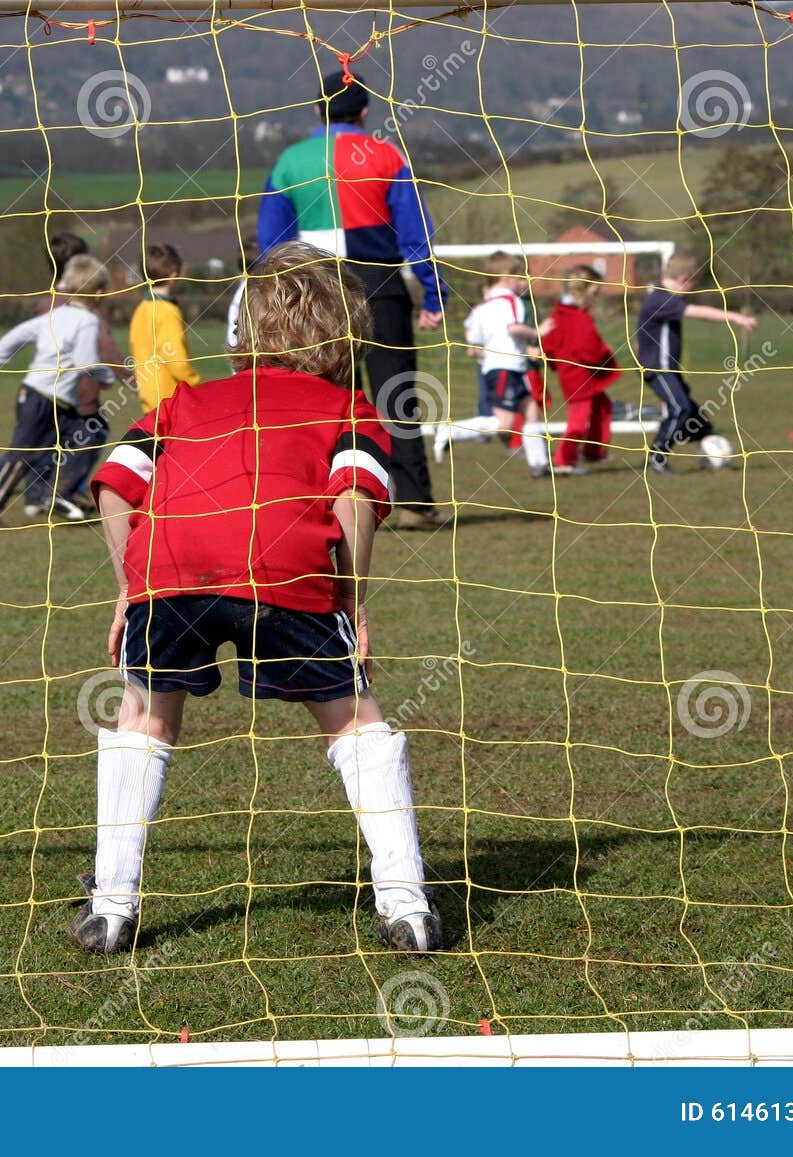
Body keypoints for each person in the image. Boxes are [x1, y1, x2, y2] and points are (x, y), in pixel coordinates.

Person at [73, 240, 440, 956]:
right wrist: (351, 599)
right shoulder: (349, 405)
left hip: (171, 568)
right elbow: (356, 502)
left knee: (144, 716)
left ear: (245, 331)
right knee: (353, 719)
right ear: (348, 333)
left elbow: (116, 483)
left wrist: (129, 585)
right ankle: (406, 902)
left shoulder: (186, 399)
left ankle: (112, 905)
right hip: (283, 570)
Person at [257, 72, 449, 532]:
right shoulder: (385, 154)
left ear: (318, 110)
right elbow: (415, 232)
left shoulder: (289, 161)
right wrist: (433, 292)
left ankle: (322, 499)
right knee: (395, 395)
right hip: (379, 285)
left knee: (322, 397)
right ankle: (415, 503)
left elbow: (272, 241)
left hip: (314, 291)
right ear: (365, 112)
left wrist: (278, 295)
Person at [0, 254, 113, 527]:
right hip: (40, 397)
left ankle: (58, 495)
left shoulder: (56, 314)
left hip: (53, 400)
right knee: (24, 453)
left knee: (91, 432)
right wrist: (107, 375)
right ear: (100, 293)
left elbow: (23, 331)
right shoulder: (88, 321)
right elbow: (85, 363)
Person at [24, 234, 130, 514]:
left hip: (44, 386)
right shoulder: (88, 309)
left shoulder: (45, 303)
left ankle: (36, 497)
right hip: (81, 390)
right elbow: (106, 348)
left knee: (47, 439)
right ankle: (65, 491)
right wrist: (129, 377)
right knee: (92, 433)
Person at [636, 253, 757, 472]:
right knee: (679, 408)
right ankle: (657, 458)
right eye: (693, 284)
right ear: (683, 278)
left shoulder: (658, 293)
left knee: (692, 414)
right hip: (657, 368)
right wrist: (736, 317)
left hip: (666, 368)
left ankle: (710, 441)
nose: (692, 291)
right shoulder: (661, 299)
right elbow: (698, 312)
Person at [435, 251, 550, 476]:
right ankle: (451, 430)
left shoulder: (480, 309)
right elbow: (513, 329)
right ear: (506, 278)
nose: (523, 283)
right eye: (519, 278)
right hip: (505, 369)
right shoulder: (513, 301)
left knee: (531, 409)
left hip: (505, 368)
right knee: (503, 424)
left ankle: (539, 464)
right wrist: (538, 332)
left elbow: (473, 345)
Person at [540, 265, 623, 476]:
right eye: (595, 294)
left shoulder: (558, 315)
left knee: (602, 406)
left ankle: (594, 451)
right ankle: (563, 461)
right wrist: (604, 351)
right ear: (582, 292)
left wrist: (556, 363)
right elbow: (588, 349)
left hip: (571, 374)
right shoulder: (579, 318)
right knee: (578, 419)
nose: (596, 299)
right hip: (579, 376)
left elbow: (548, 344)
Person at [130, 242, 202, 413]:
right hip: (170, 400)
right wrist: (194, 382)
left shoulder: (141, 309)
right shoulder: (168, 311)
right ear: (173, 276)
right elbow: (175, 358)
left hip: (149, 397)